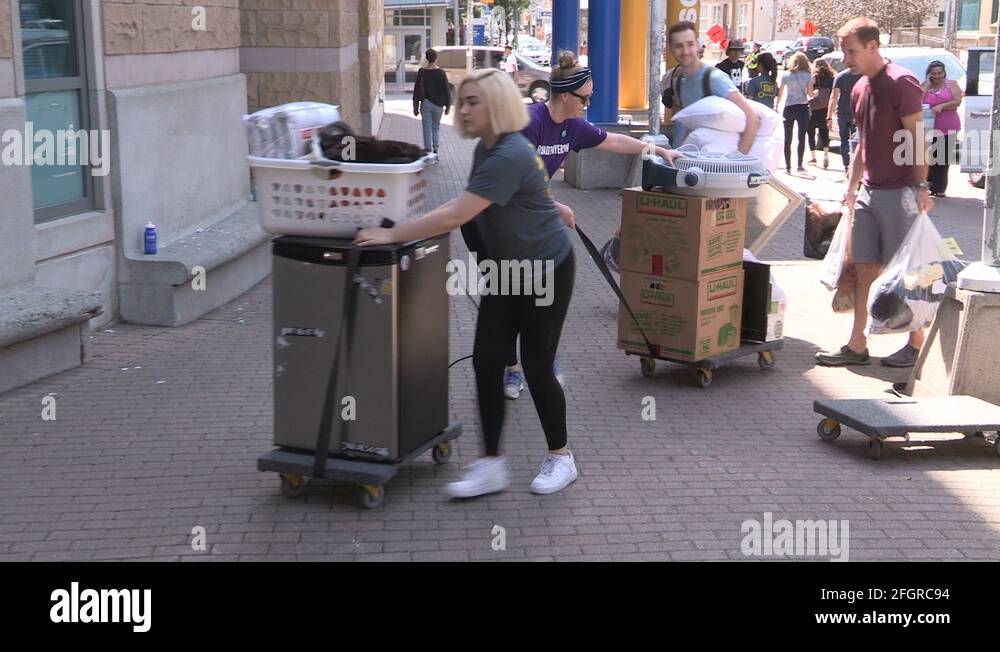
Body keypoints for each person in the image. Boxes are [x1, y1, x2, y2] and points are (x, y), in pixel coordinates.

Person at [355, 69, 579, 497]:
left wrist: (392, 233)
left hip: (546, 268)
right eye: (463, 101)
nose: (464, 109)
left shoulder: (509, 153)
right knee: (487, 360)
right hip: (506, 270)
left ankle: (561, 456)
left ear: (496, 105)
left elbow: (458, 213)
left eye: (473, 101)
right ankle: (492, 463)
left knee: (536, 365)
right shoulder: (488, 149)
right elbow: (482, 209)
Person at [474, 50, 684, 401]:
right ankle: (512, 369)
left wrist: (656, 151)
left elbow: (612, 140)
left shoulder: (573, 126)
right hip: (502, 220)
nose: (589, 103)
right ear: (566, 96)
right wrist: (555, 206)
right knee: (511, 299)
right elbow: (510, 181)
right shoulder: (529, 123)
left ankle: (539, 358)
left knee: (543, 297)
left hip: (536, 222)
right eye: (586, 98)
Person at [815, 17, 934, 369]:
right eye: (843, 51)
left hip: (901, 193)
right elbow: (863, 144)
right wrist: (850, 187)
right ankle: (857, 344)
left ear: (873, 47)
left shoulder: (901, 82)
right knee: (864, 270)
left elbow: (916, 139)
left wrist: (922, 186)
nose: (845, 58)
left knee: (908, 271)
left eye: (851, 51)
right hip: (868, 192)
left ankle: (916, 343)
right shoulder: (859, 87)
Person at [666, 22, 760, 153]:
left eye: (690, 44)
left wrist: (737, 161)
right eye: (678, 46)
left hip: (711, 166)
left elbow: (752, 119)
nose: (685, 51)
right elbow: (685, 123)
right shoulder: (678, 82)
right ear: (670, 49)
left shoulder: (714, 79)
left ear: (698, 45)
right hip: (682, 162)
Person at [921, 60, 963, 197]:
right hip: (927, 127)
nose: (938, 76)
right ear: (929, 74)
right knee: (927, 157)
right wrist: (927, 84)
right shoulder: (924, 85)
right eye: (934, 73)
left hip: (947, 126)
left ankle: (939, 188)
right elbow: (917, 101)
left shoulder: (952, 85)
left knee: (942, 159)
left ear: (944, 73)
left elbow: (957, 102)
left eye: (940, 73)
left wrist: (942, 106)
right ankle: (926, 185)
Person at [776, 51, 814, 173]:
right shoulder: (808, 76)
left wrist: (777, 105)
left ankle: (788, 166)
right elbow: (810, 93)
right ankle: (799, 164)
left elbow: (781, 92)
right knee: (801, 137)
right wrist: (815, 94)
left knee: (788, 138)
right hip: (802, 107)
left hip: (789, 107)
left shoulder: (786, 75)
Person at [412, 49, 450, 154]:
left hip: (425, 103)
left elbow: (416, 90)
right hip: (438, 105)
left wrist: (415, 107)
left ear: (426, 58)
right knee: (436, 126)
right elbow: (446, 90)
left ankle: (428, 150)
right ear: (436, 58)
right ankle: (436, 148)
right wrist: (448, 106)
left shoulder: (422, 72)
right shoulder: (441, 73)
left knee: (426, 128)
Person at [827, 66, 861, 173]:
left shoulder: (840, 76)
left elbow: (834, 96)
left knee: (844, 140)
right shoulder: (862, 75)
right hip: (857, 112)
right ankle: (855, 164)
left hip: (842, 112)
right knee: (858, 140)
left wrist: (829, 116)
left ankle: (846, 165)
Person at [807, 58, 835, 168]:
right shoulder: (831, 78)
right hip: (825, 108)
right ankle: (826, 154)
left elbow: (810, 85)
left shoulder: (815, 76)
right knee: (824, 132)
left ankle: (813, 157)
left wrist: (812, 93)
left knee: (810, 132)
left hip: (814, 108)